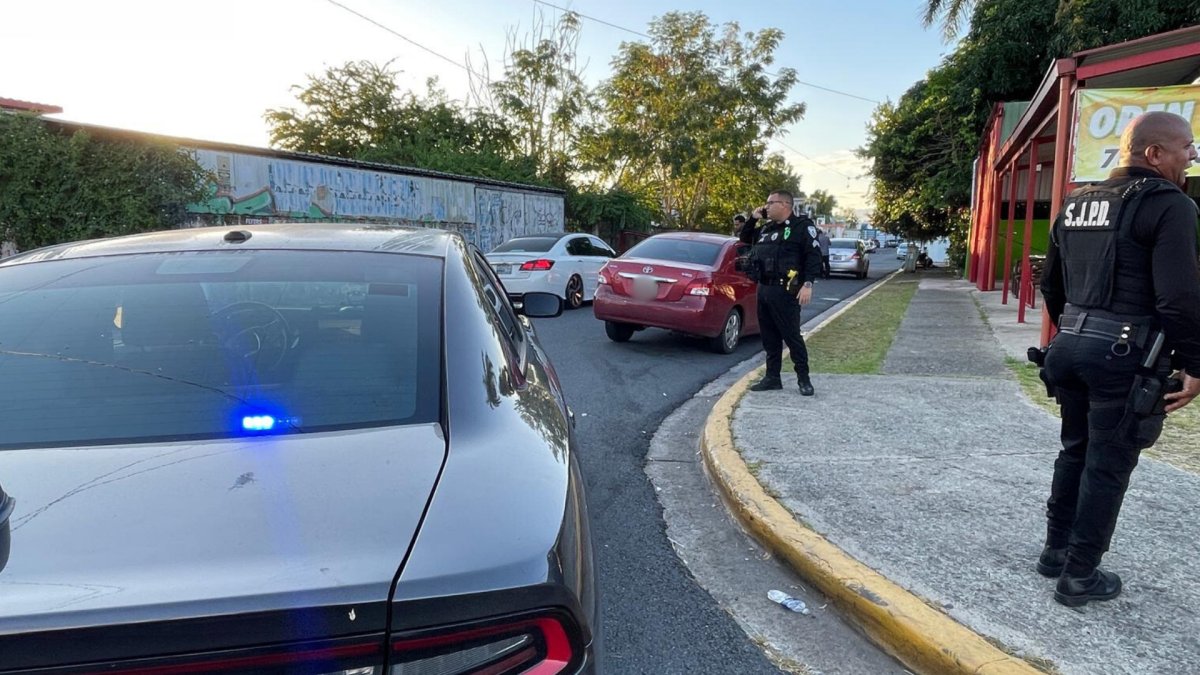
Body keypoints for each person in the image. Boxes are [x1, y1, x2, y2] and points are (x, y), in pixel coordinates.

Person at [1038, 111, 1200, 607]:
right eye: (1187, 147)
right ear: (1154, 153)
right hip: (1122, 358)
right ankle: (1080, 575)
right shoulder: (1170, 204)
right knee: (1107, 465)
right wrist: (1195, 364)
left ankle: (1055, 552)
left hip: (1069, 347)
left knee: (1075, 450)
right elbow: (1178, 298)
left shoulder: (1077, 202)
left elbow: (1051, 284)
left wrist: (1075, 333)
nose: (1192, 155)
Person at [738, 190, 822, 395]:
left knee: (792, 336)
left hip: (786, 290)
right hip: (764, 288)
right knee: (769, 337)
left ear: (784, 205)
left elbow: (813, 256)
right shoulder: (767, 229)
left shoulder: (801, 227)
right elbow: (745, 238)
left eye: (770, 203)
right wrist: (753, 218)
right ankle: (772, 377)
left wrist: (808, 284)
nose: (766, 207)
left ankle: (804, 379)